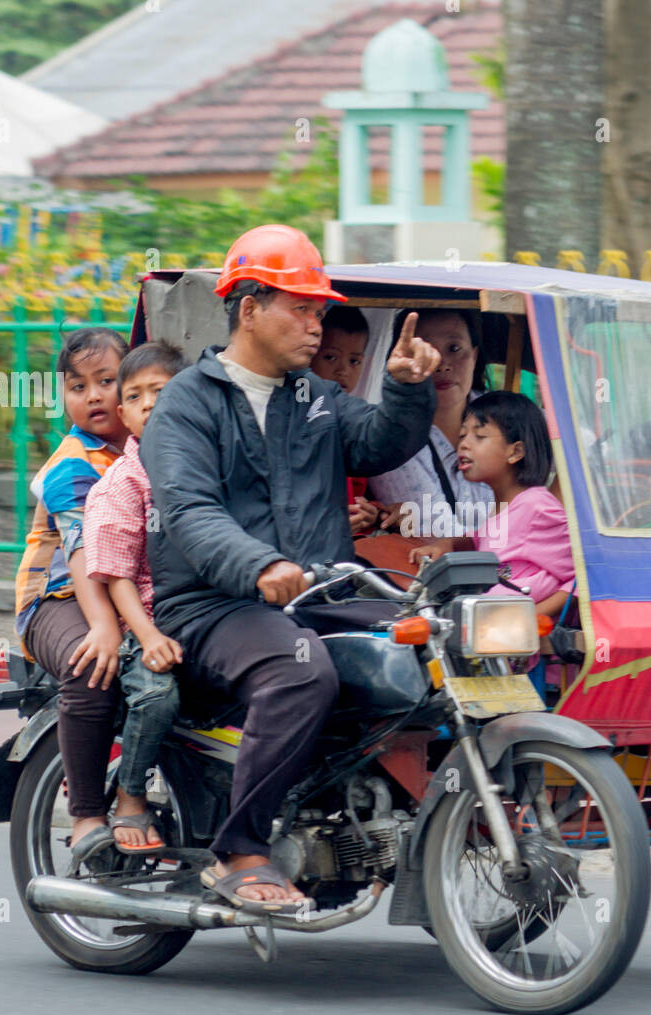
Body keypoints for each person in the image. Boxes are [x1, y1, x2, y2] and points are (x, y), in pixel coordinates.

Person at [138, 224, 438, 913]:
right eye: (301, 309)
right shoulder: (186, 403)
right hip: (214, 604)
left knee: (433, 639)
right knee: (301, 668)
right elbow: (189, 511)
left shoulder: (314, 398)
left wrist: (406, 389)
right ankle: (241, 849)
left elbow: (379, 442)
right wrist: (261, 562)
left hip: (317, 591)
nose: (316, 325)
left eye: (318, 310)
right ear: (249, 308)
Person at [12, 327, 130, 868]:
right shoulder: (71, 463)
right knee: (92, 664)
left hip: (126, 592)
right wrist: (104, 627)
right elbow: (83, 551)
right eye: (78, 386)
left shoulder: (149, 448)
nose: (94, 396)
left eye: (107, 381)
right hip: (57, 600)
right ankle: (86, 816)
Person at [81, 341, 189, 854]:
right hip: (144, 625)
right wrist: (146, 637)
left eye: (162, 392)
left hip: (204, 618)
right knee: (156, 694)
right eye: (136, 396)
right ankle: (129, 794)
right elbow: (117, 575)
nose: (149, 404)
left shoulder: (207, 470)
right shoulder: (121, 484)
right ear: (123, 412)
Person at [409, 391, 575, 618]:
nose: (463, 445)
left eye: (479, 436)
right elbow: (484, 538)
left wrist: (531, 620)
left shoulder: (536, 508)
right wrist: (448, 543)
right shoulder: (506, 506)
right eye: (462, 435)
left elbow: (582, 578)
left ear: (515, 451)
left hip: (514, 640)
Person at [368, 308, 495, 539]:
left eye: (454, 348)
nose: (442, 364)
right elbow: (439, 532)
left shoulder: (503, 415)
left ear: (474, 356)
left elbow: (575, 445)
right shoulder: (390, 434)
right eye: (425, 351)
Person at [309, 304, 378, 535]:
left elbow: (361, 497)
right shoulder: (299, 417)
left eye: (354, 361)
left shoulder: (357, 422)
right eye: (330, 357)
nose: (343, 371)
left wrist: (371, 513)